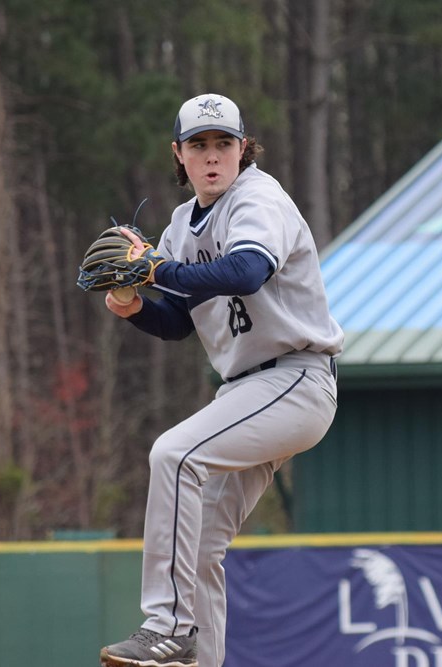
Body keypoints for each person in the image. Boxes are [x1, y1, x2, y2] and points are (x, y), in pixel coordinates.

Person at [98, 93, 343, 667]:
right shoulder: (181, 226)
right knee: (202, 545)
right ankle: (194, 655)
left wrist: (157, 268)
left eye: (224, 143)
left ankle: (167, 626)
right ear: (179, 155)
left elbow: (247, 270)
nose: (212, 156)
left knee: (174, 454)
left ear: (243, 148)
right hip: (248, 392)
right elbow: (179, 321)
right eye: (199, 145)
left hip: (297, 379)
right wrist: (134, 307)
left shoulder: (258, 197)